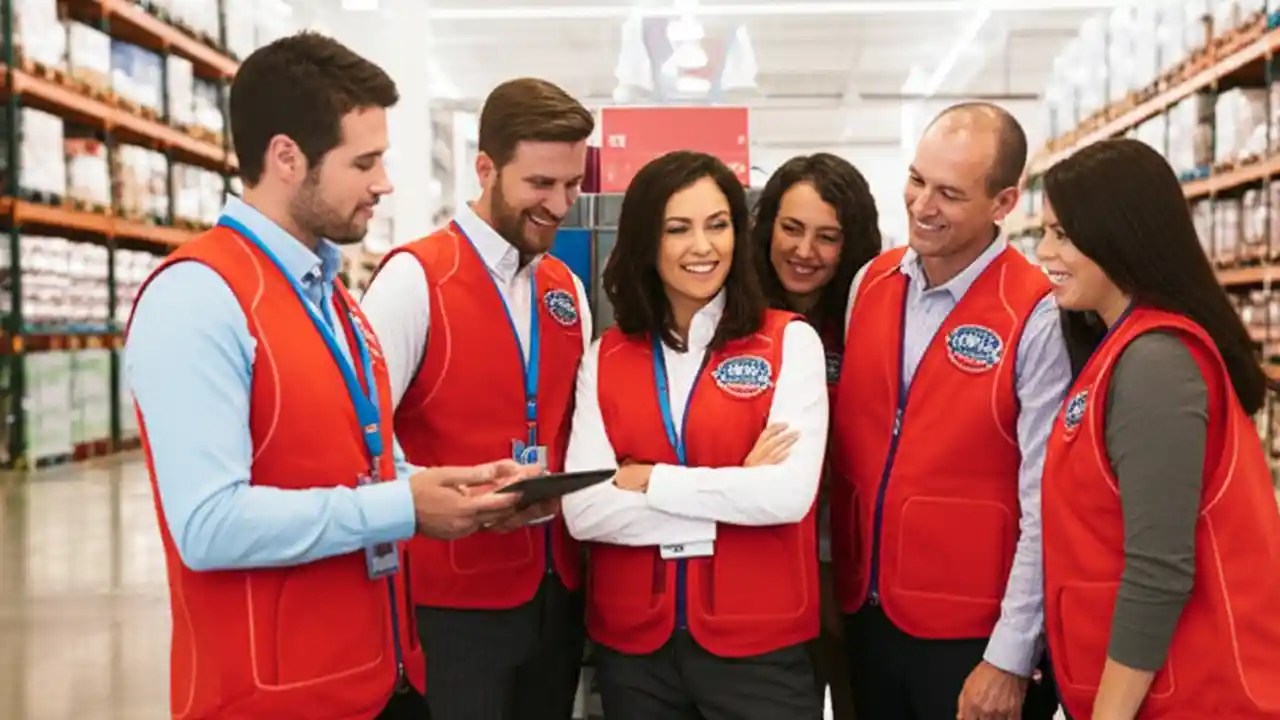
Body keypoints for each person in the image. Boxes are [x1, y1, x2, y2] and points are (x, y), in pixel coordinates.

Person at [124, 33, 533, 720]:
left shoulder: (334, 297)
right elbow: (207, 523)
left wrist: (453, 492)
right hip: (271, 698)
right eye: (364, 162)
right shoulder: (198, 297)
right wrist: (404, 507)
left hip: (380, 676)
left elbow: (357, 461)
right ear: (287, 158)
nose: (384, 183)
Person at [560, 150, 829, 720]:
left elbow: (787, 496)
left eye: (718, 225)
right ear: (644, 242)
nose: (703, 247)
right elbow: (584, 511)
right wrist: (735, 491)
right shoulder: (604, 358)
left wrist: (647, 479)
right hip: (636, 651)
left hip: (760, 647)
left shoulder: (788, 342)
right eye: (677, 229)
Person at [359, 77, 594, 720]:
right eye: (540, 184)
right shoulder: (414, 279)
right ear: (485, 167)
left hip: (554, 591)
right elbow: (361, 438)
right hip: (452, 603)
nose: (560, 203)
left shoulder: (565, 288)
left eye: (572, 184)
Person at [828, 102, 1067, 720]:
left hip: (974, 637)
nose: (922, 206)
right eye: (917, 180)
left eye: (950, 194)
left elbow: (1047, 503)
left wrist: (1011, 658)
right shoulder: (870, 284)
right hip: (868, 614)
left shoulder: (1035, 314)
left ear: (1004, 202)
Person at [1036, 137, 1280, 719]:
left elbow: (1160, 569)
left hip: (1192, 697)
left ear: (1118, 235)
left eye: (1063, 235)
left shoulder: (1156, 364)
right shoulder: (1118, 347)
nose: (1044, 251)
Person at [751, 152, 883, 719]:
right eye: (792, 229)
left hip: (854, 560)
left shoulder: (869, 319)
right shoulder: (734, 314)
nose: (805, 252)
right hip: (763, 559)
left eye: (827, 237)